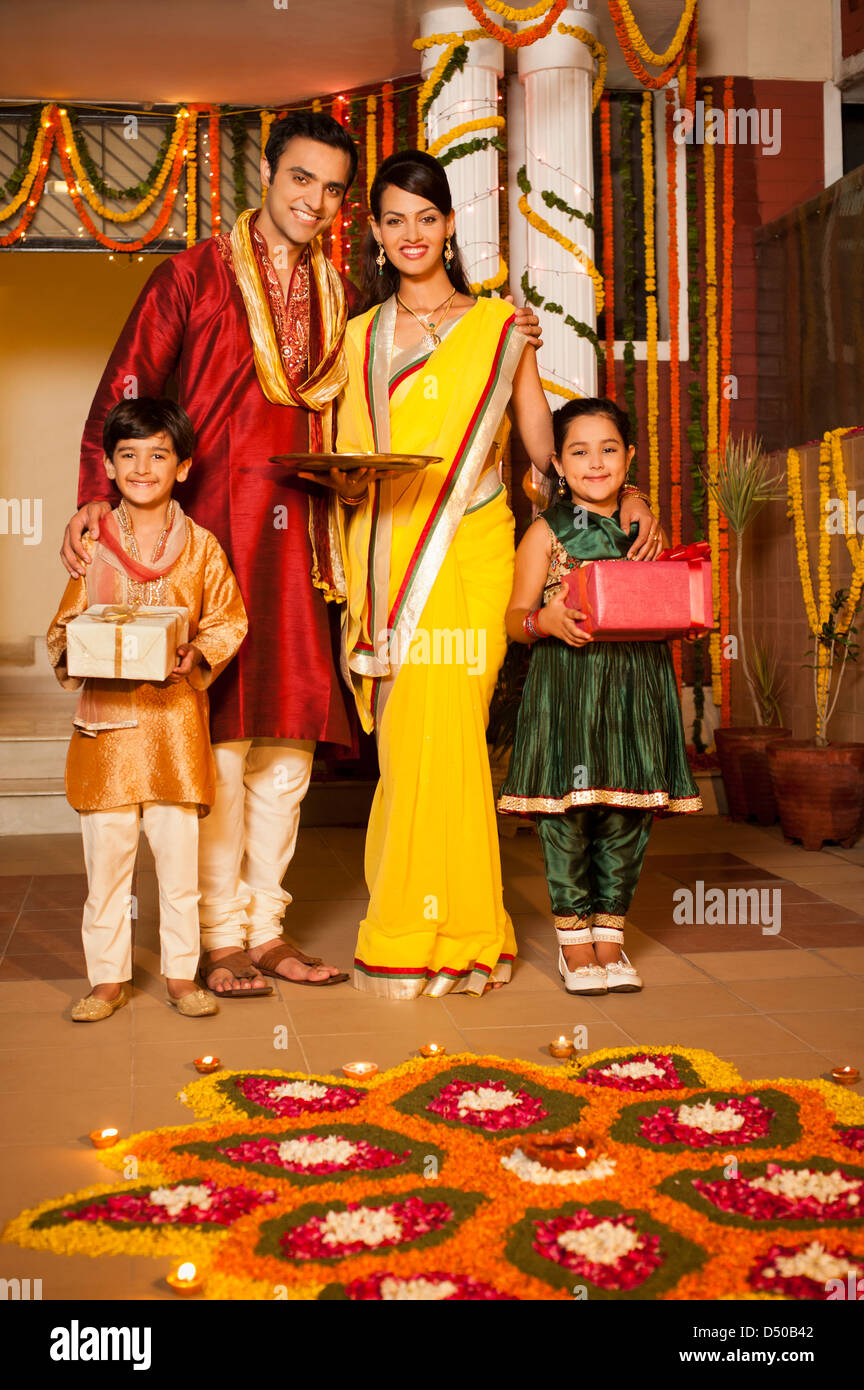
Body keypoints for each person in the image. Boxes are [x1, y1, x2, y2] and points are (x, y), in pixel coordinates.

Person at [60, 113, 542, 999]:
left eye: (330, 189)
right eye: (300, 180)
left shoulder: (340, 301)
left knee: (288, 741)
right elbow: (129, 388)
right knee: (221, 740)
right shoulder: (192, 276)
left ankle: (269, 926)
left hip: (309, 538)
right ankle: (217, 938)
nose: (314, 201)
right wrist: (99, 493)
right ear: (268, 175)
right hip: (202, 541)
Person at [322, 152, 663, 998]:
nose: (411, 234)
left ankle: (465, 930)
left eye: (427, 218)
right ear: (373, 231)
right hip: (391, 551)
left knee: (453, 728)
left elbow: (548, 457)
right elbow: (341, 451)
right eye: (394, 219)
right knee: (406, 742)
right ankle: (408, 924)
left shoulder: (500, 328)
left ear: (447, 227)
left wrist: (631, 496)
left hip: (473, 550)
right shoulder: (359, 338)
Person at [47, 398, 248, 1020]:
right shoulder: (92, 546)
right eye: (128, 455)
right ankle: (107, 978)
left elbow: (228, 620)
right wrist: (78, 646)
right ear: (108, 466)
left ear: (182, 467)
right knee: (106, 864)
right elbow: (62, 628)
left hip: (173, 729)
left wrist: (195, 656)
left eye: (158, 454)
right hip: (106, 731)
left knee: (180, 865)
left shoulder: (203, 547)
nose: (142, 467)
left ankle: (182, 975)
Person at [498, 397, 702, 995]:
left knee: (628, 812)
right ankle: (574, 944)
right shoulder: (545, 531)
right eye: (579, 452)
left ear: (629, 458)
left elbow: (665, 599)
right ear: (557, 463)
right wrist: (545, 621)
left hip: (637, 689)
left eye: (608, 450)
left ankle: (611, 937)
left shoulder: (645, 528)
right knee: (569, 815)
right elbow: (513, 618)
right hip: (569, 690)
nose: (595, 463)